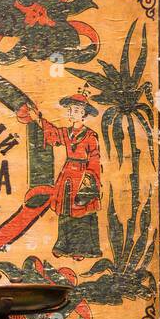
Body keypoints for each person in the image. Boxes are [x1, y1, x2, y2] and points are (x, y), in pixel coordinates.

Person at [25, 92, 103, 260]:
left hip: (82, 178)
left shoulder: (90, 136)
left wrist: (88, 182)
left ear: (83, 113)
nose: (71, 113)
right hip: (67, 176)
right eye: (70, 110)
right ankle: (63, 245)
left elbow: (95, 160)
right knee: (65, 212)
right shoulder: (67, 133)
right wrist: (38, 119)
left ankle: (81, 250)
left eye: (75, 110)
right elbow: (52, 133)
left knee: (82, 212)